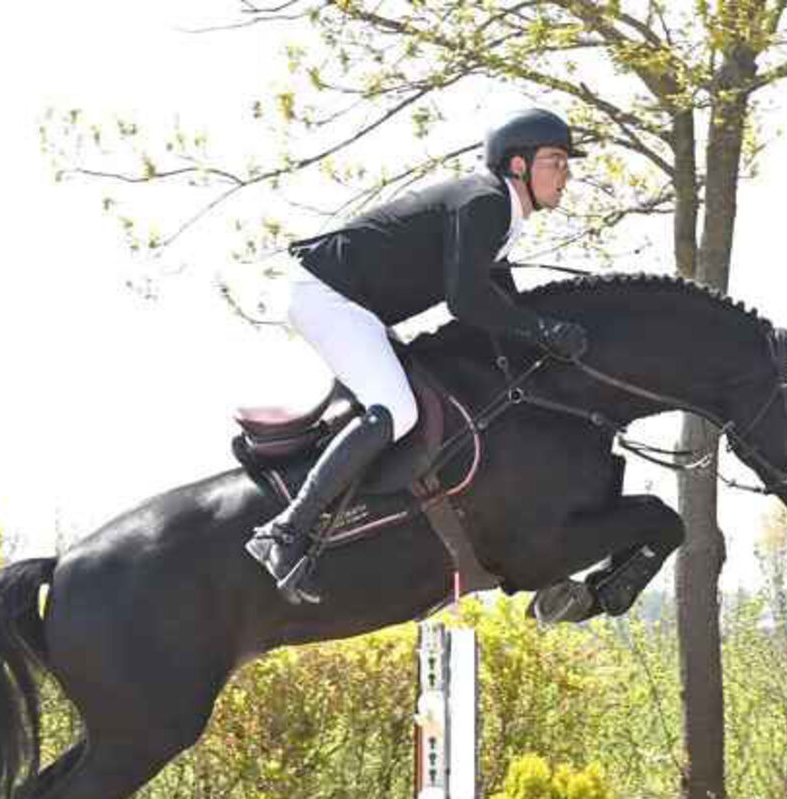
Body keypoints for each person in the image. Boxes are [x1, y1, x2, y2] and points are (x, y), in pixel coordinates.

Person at [246, 108, 592, 602]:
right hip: (327, 295)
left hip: (351, 303)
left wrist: (545, 338)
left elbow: (500, 302)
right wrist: (543, 329)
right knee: (398, 408)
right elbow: (467, 301)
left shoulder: (502, 213)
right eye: (555, 161)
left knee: (425, 394)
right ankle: (283, 531)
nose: (566, 174)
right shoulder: (485, 202)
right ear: (518, 165)